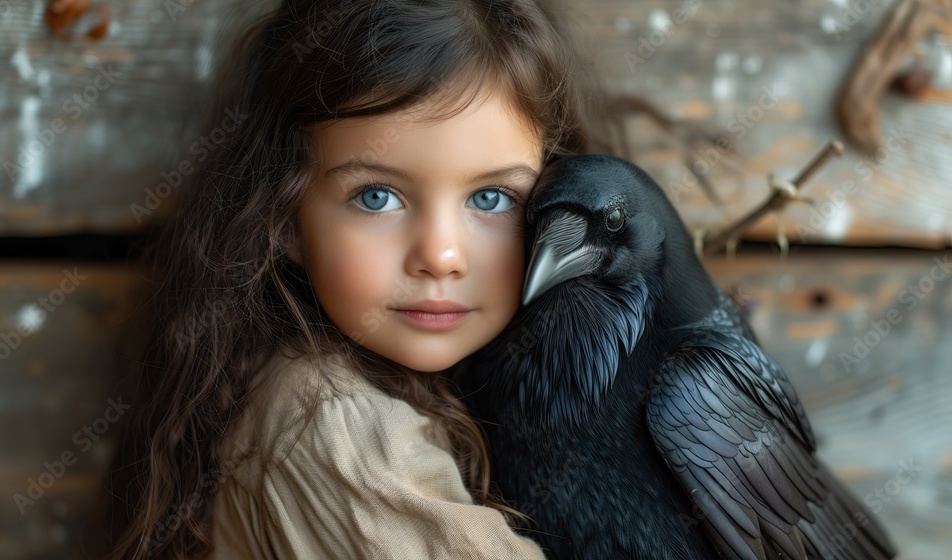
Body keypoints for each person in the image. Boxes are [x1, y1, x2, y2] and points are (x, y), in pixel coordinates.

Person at [92, 0, 618, 558]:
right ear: (284, 218)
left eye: (492, 198)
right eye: (377, 197)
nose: (440, 255)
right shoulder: (338, 432)